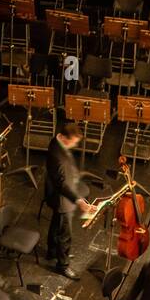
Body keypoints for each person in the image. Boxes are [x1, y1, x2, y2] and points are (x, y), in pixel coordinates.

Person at [44, 120, 94, 280]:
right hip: (62, 198)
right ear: (65, 138)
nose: (75, 145)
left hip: (63, 193)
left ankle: (51, 251)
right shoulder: (55, 154)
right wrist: (78, 201)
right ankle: (62, 265)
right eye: (73, 142)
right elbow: (61, 184)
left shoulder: (58, 141)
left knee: (56, 223)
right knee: (65, 234)